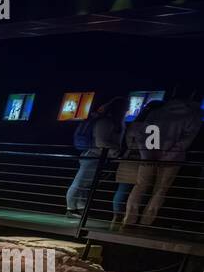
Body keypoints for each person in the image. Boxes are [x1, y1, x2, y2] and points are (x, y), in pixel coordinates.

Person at [124, 92, 202, 228]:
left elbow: (146, 134)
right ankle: (146, 222)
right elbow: (184, 142)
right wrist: (168, 155)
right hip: (172, 160)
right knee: (160, 190)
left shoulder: (158, 112)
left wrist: (148, 154)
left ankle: (129, 220)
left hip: (149, 156)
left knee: (140, 186)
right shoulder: (193, 116)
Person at [66, 97, 126, 218]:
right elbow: (101, 142)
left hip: (97, 157)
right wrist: (117, 151)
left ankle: (78, 209)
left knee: (84, 184)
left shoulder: (112, 122)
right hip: (93, 157)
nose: (127, 109)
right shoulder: (106, 122)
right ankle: (71, 208)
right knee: (79, 183)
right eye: (125, 106)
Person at [112, 100, 159, 227]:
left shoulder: (133, 124)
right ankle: (130, 218)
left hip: (127, 159)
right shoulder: (152, 127)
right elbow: (152, 147)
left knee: (122, 189)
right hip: (142, 162)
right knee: (140, 191)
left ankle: (116, 216)